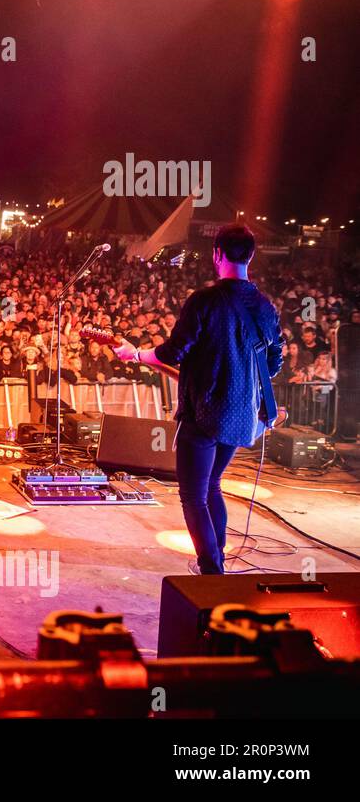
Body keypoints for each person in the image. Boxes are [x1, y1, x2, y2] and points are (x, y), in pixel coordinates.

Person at [113, 225, 282, 575]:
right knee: (213, 485)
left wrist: (137, 355)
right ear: (251, 255)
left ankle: (211, 570)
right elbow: (274, 362)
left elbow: (176, 351)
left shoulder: (204, 301)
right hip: (242, 416)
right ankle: (215, 557)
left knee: (193, 496)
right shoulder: (265, 307)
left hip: (205, 412)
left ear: (217, 253)